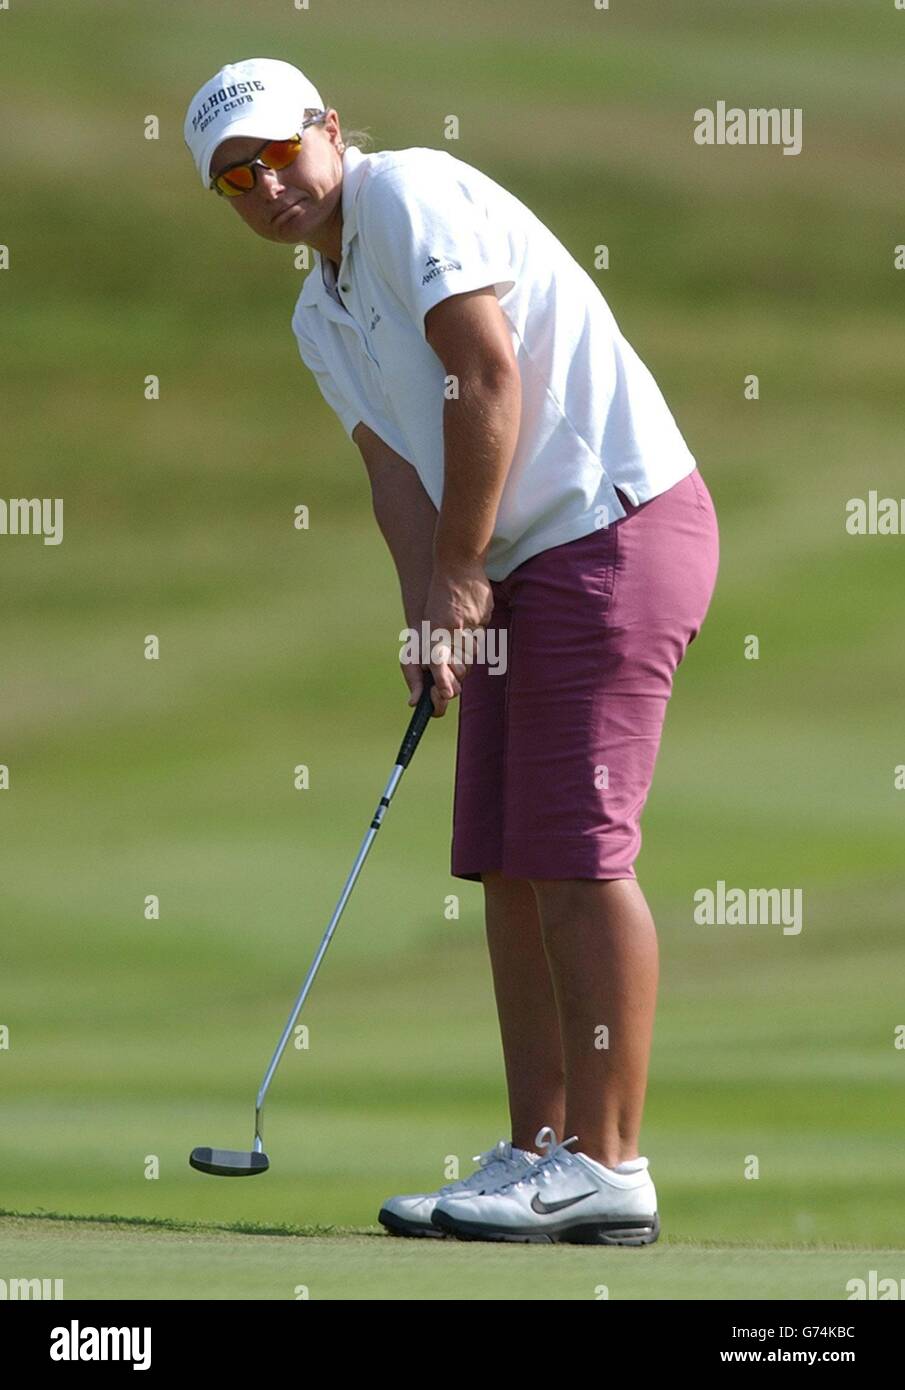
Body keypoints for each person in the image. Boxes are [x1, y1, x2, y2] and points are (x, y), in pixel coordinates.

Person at [184, 57, 720, 1246]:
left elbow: (486, 377)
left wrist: (463, 572)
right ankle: (535, 1155)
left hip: (609, 525)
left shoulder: (407, 194)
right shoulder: (313, 308)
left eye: (276, 154)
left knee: (578, 853)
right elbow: (395, 475)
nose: (265, 185)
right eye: (234, 180)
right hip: (516, 559)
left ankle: (608, 1162)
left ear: (328, 130)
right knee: (503, 861)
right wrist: (429, 608)